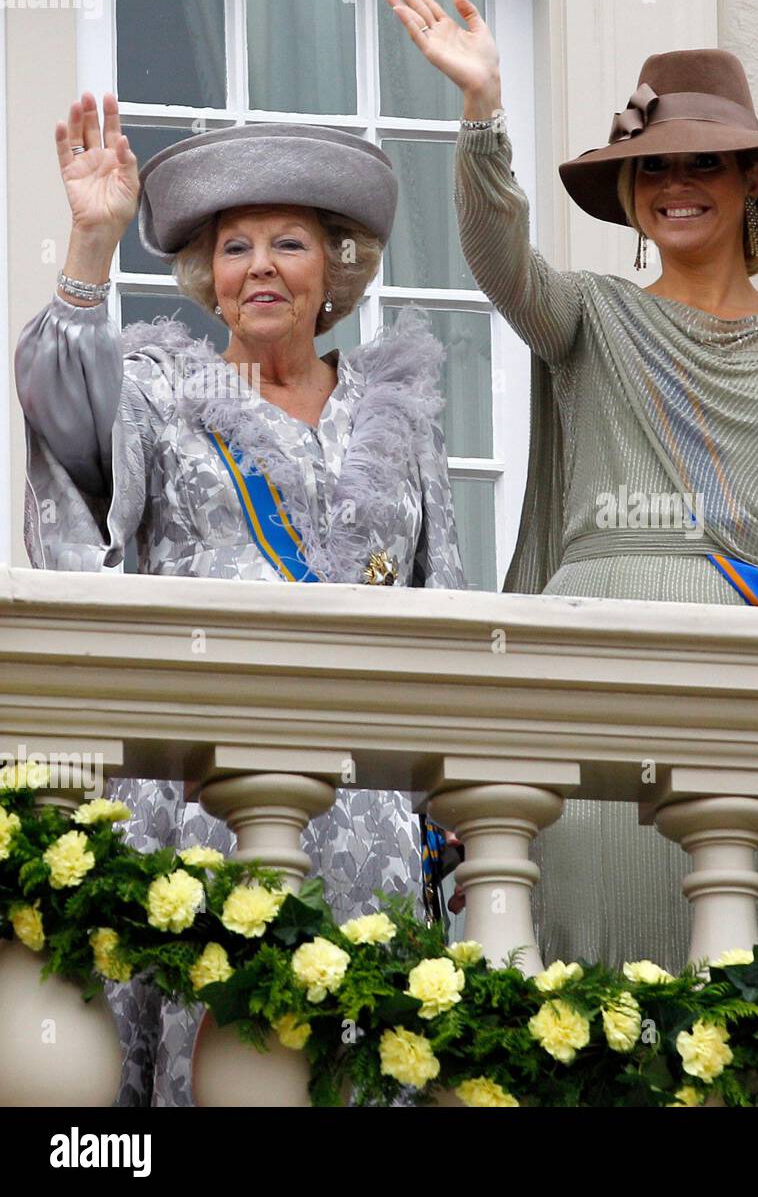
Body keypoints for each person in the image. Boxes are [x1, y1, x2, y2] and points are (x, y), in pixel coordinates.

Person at [385, 0, 758, 968]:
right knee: (582, 987)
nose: (677, 182)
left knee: (738, 1000)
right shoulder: (586, 314)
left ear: (753, 180)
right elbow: (497, 261)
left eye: (705, 162)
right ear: (628, 187)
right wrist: (483, 112)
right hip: (585, 672)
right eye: (654, 164)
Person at [14, 94, 465, 1103]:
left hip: (370, 808)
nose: (259, 264)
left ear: (335, 272)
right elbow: (62, 422)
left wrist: (458, 819)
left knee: (364, 1053)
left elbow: (448, 608)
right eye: (235, 247)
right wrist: (93, 241)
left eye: (290, 242)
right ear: (205, 279)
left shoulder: (399, 419)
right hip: (203, 794)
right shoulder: (161, 396)